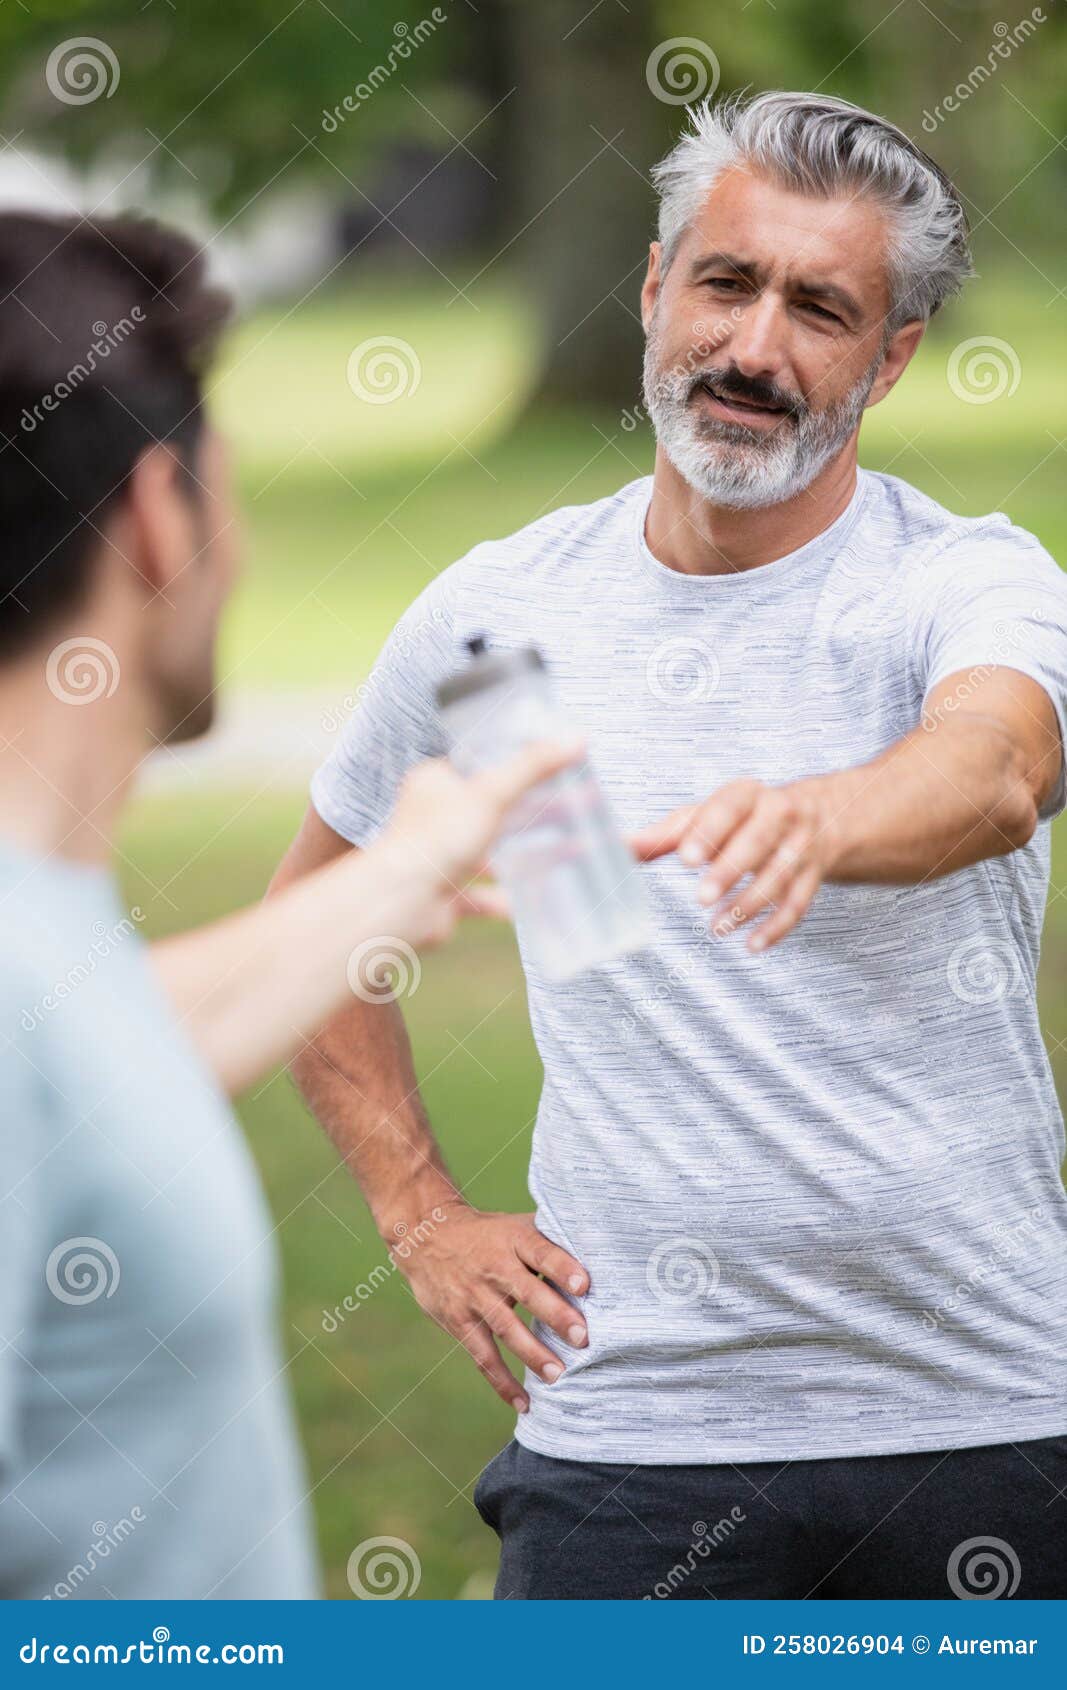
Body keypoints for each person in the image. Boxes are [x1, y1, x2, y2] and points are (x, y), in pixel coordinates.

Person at [274, 90, 1067, 1600]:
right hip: (631, 1436)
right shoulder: (502, 621)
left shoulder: (962, 583)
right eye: (726, 283)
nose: (755, 350)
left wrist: (825, 813)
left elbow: (997, 767)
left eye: (821, 309)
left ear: (890, 355)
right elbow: (317, 925)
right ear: (653, 288)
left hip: (988, 1424)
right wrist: (421, 1215)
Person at [0, 209, 577, 1600]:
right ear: (159, 517)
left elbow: (99, 1049)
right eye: (230, 489)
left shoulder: (44, 957)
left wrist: (395, 870)